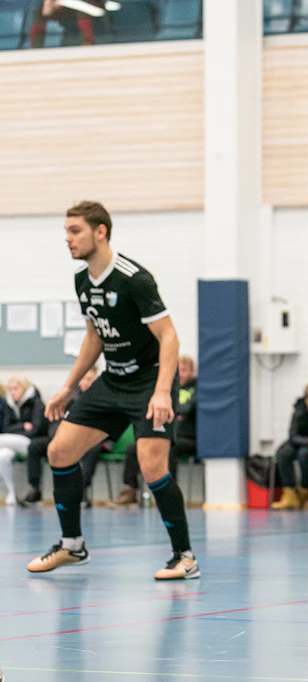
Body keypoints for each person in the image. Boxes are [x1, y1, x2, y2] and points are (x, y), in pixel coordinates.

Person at [26, 201, 198, 581]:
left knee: (153, 466)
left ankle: (184, 556)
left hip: (149, 382)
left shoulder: (133, 278)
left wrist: (163, 392)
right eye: (66, 231)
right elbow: (94, 336)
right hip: (112, 381)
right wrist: (68, 387)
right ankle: (72, 545)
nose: (67, 238)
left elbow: (169, 337)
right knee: (59, 450)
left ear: (100, 231)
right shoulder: (82, 280)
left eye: (75, 231)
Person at [115, 354, 198, 506]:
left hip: (188, 438)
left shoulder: (196, 388)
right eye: (178, 370)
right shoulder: (168, 388)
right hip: (166, 434)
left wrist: (171, 410)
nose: (180, 374)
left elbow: (187, 409)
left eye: (184, 370)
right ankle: (130, 489)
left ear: (192, 371)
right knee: (134, 448)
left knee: (170, 447)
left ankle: (170, 494)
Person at [23, 368, 105, 506]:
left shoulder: (102, 399)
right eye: (83, 378)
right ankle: (35, 489)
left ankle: (82, 490)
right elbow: (55, 422)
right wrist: (59, 438)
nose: (86, 382)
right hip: (63, 438)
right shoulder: (68, 398)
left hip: (87, 440)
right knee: (35, 446)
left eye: (89, 379)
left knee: (93, 449)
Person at [0, 375, 48, 506]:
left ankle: (34, 491)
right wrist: (22, 426)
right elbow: (5, 428)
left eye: (15, 388)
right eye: (10, 389)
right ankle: (10, 492)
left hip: (30, 442)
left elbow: (36, 429)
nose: (12, 392)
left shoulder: (37, 403)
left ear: (24, 388)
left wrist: (17, 431)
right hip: (11, 442)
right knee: (3, 455)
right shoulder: (9, 404)